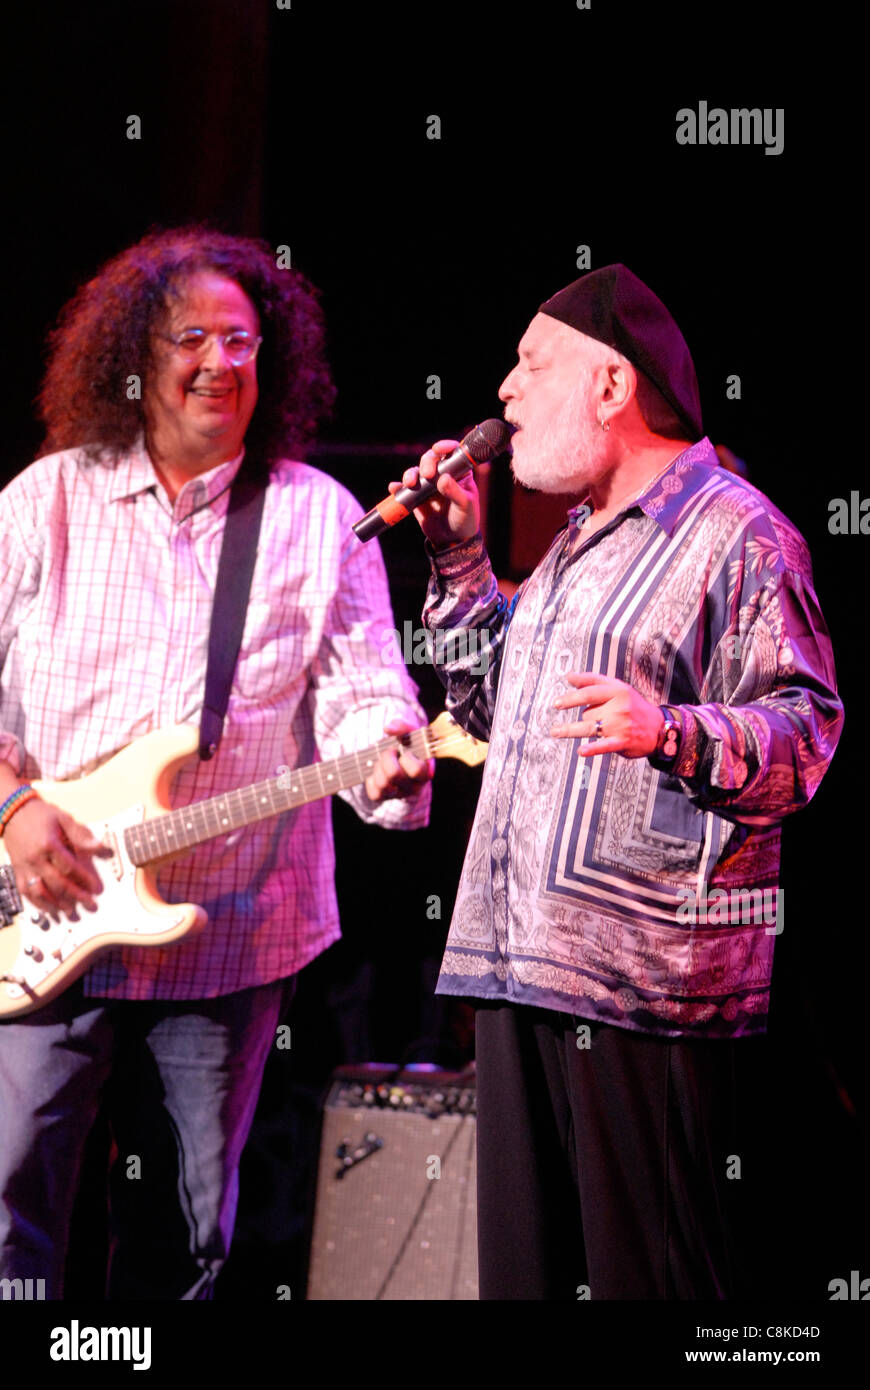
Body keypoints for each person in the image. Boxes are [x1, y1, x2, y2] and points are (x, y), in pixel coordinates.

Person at [395, 263, 844, 1300]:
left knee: (649, 1282)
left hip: (643, 991)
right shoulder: (571, 550)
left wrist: (671, 730)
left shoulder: (740, 532)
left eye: (530, 364)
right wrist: (462, 569)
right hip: (514, 965)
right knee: (528, 1278)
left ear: (611, 386)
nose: (503, 392)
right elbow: (483, 721)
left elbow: (808, 732)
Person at [0, 226, 433, 1300]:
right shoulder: (42, 503)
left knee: (186, 1235)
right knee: (12, 1205)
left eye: (241, 340)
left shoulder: (317, 520)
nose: (220, 361)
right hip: (43, 911)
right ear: (135, 360)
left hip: (231, 937)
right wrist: (13, 805)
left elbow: (364, 691)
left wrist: (387, 758)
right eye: (190, 336)